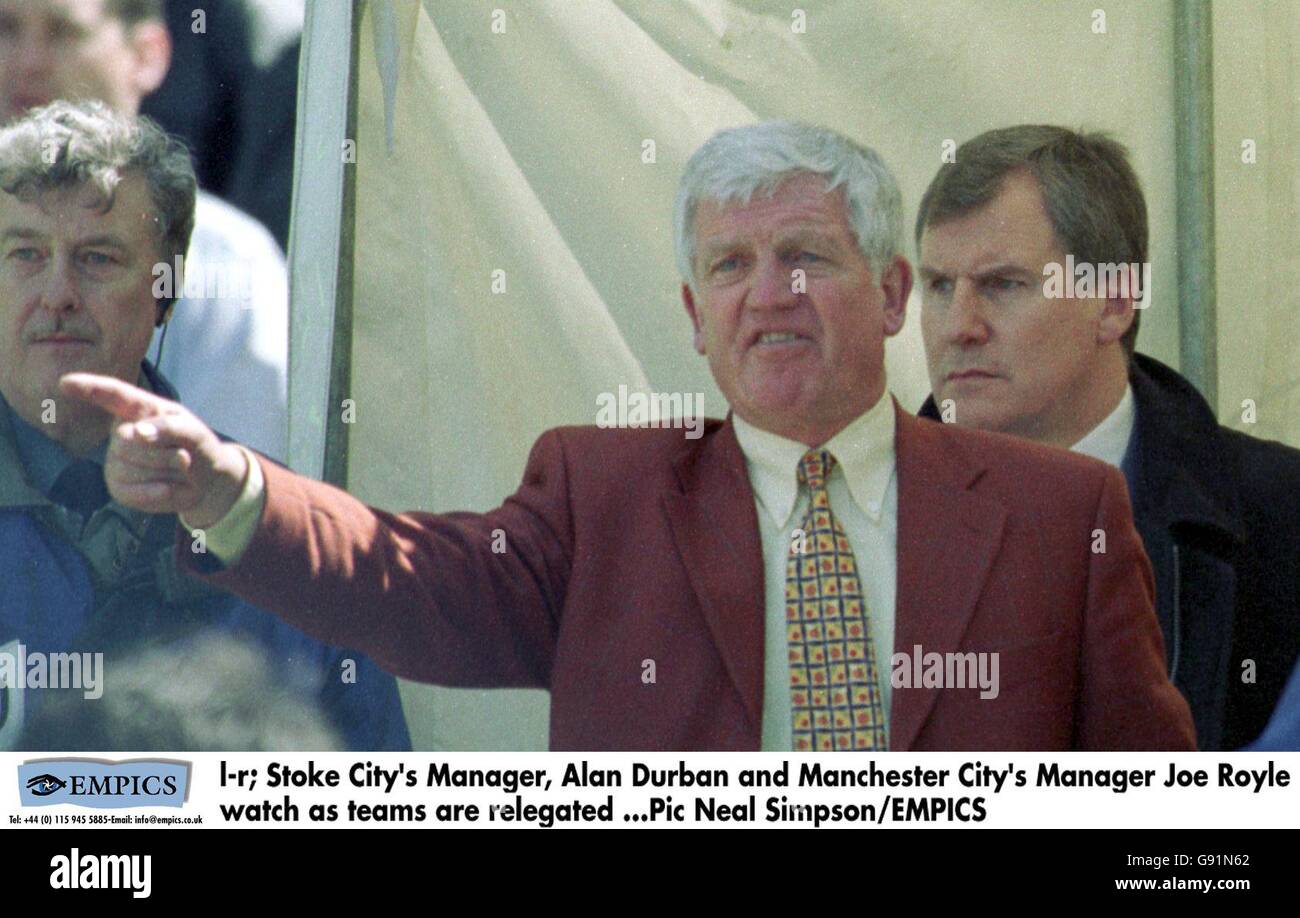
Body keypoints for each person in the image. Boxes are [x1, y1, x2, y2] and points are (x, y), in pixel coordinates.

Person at [65, 121, 1196, 751]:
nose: (771, 294)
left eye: (805, 255)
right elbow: (412, 583)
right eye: (729, 268)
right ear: (695, 320)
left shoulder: (1060, 513)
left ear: (893, 293)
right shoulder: (597, 493)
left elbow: (1151, 809)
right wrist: (231, 492)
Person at [0, 98, 409, 750]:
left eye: (98, 258)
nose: (58, 293)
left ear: (167, 288)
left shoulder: (282, 531)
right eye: (25, 254)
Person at [914, 124, 1300, 750]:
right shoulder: (867, 512)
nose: (959, 327)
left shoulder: (1279, 514)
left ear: (1115, 301)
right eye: (937, 286)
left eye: (1003, 285)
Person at [0, 0, 289, 461]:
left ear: (147, 54)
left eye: (64, 32)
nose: (28, 61)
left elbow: (226, 497)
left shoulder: (227, 262)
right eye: (6, 28)